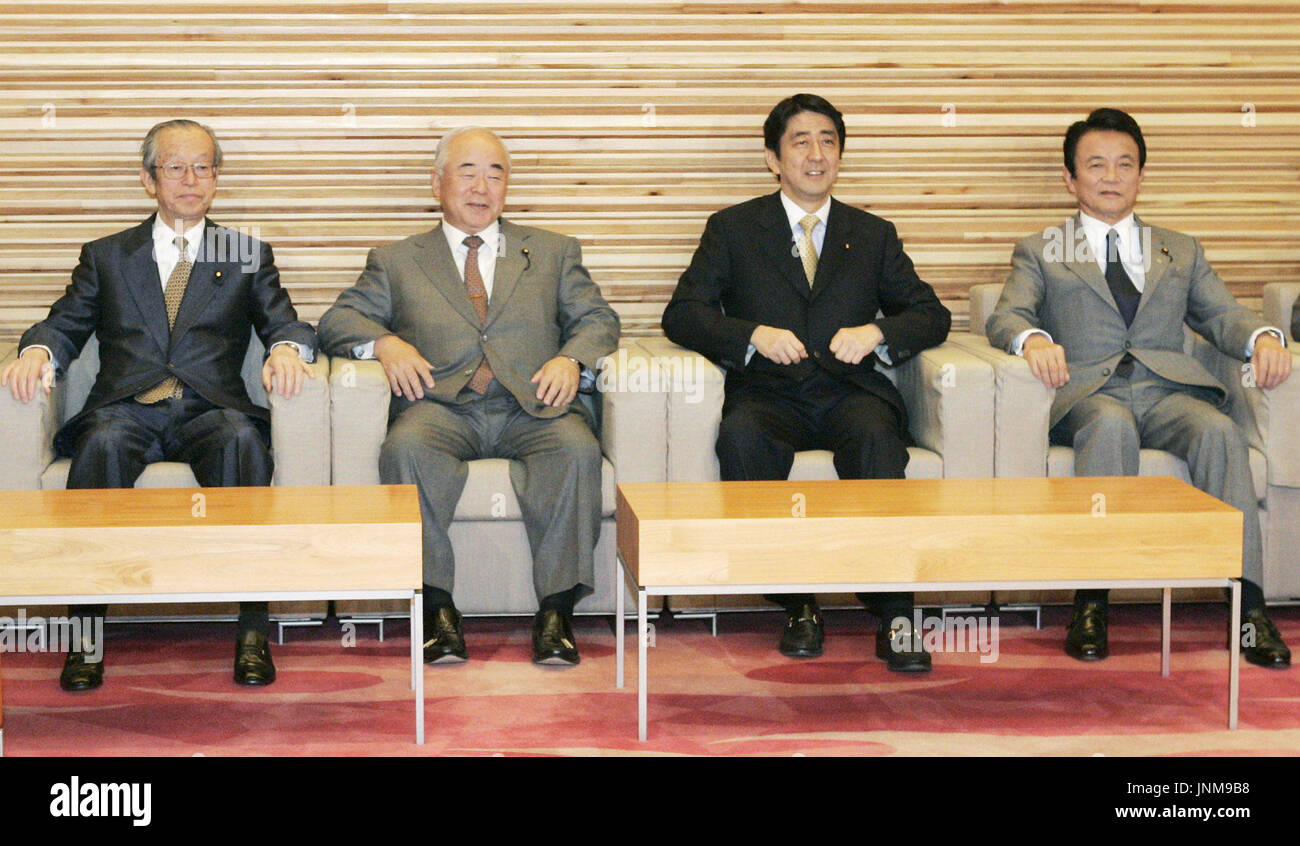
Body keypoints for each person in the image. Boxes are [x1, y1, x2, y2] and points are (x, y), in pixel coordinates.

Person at [1, 119, 317, 690]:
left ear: (217, 177)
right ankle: (86, 639)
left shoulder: (243, 251)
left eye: (203, 167)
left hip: (209, 408)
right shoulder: (109, 255)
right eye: (175, 167)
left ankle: (251, 633)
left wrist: (289, 350)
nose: (190, 179)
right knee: (100, 447)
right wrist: (38, 351)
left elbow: (283, 320)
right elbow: (66, 322)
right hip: (125, 408)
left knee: (243, 442)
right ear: (149, 179)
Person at [986, 107, 1292, 668]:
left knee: (1221, 431)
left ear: (1141, 176)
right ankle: (1093, 600)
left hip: (1168, 391)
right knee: (1109, 425)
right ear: (1070, 179)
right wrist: (1031, 339)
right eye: (1095, 165)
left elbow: (1222, 315)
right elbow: (1006, 316)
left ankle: (1249, 610)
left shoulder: (1180, 248)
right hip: (1089, 394)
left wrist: (1264, 338)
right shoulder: (1042, 249)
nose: (1110, 176)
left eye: (1124, 164)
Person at [661, 94, 951, 671]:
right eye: (801, 141)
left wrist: (876, 332)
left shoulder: (873, 233)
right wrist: (751, 336)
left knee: (877, 442)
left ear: (840, 155)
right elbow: (682, 314)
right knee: (742, 438)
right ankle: (796, 601)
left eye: (828, 141)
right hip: (769, 391)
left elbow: (931, 314)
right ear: (773, 158)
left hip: (850, 392)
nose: (816, 154)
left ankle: (894, 610)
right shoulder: (734, 228)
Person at [317, 127, 619, 667]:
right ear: (437, 183)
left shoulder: (552, 251)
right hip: (440, 408)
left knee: (577, 451)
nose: (482, 186)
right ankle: (437, 610)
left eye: (496, 172)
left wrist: (570, 358)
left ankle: (555, 612)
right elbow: (339, 320)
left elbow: (597, 319)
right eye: (467, 171)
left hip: (533, 405)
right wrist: (384, 343)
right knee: (404, 451)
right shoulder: (397, 259)